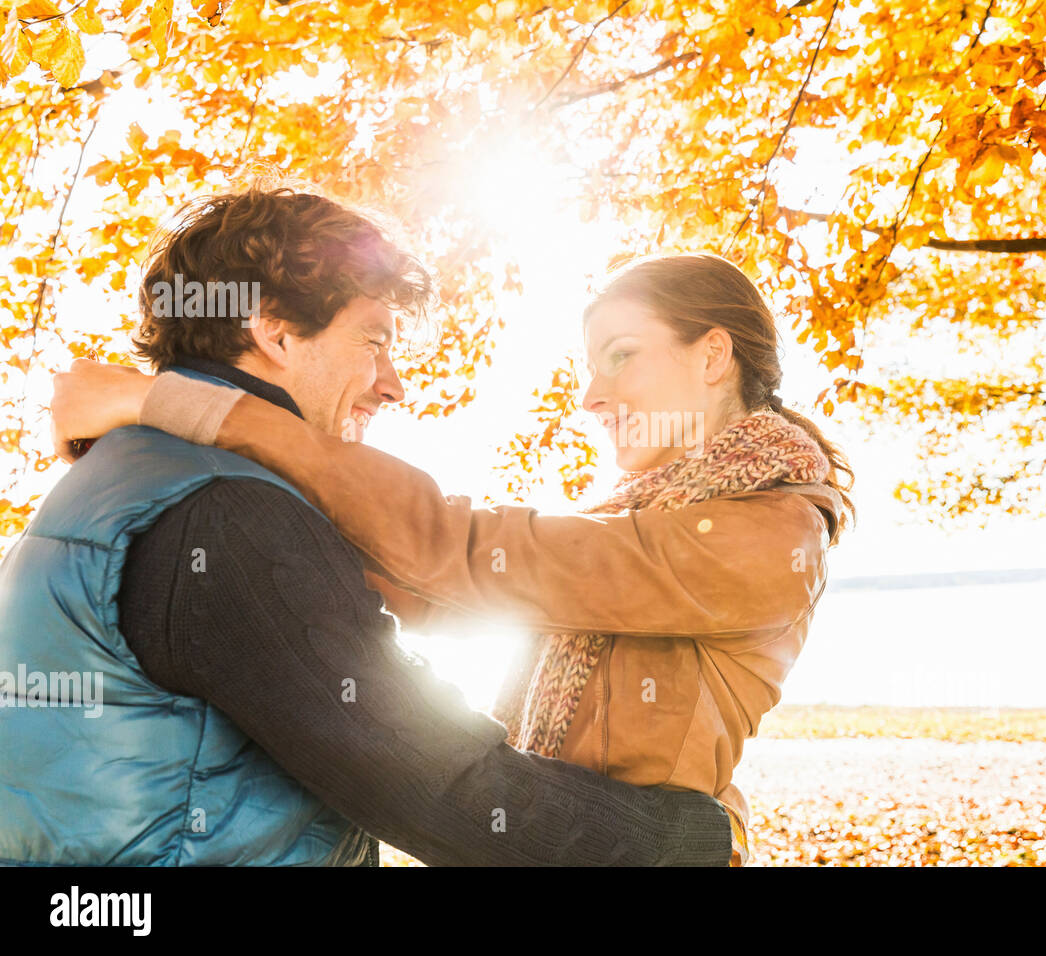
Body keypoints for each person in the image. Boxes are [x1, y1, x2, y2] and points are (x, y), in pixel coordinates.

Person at [0, 187, 743, 866]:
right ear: (275, 332)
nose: (393, 383)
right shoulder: (231, 517)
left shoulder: (130, 480)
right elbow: (438, 785)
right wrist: (694, 838)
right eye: (373, 341)